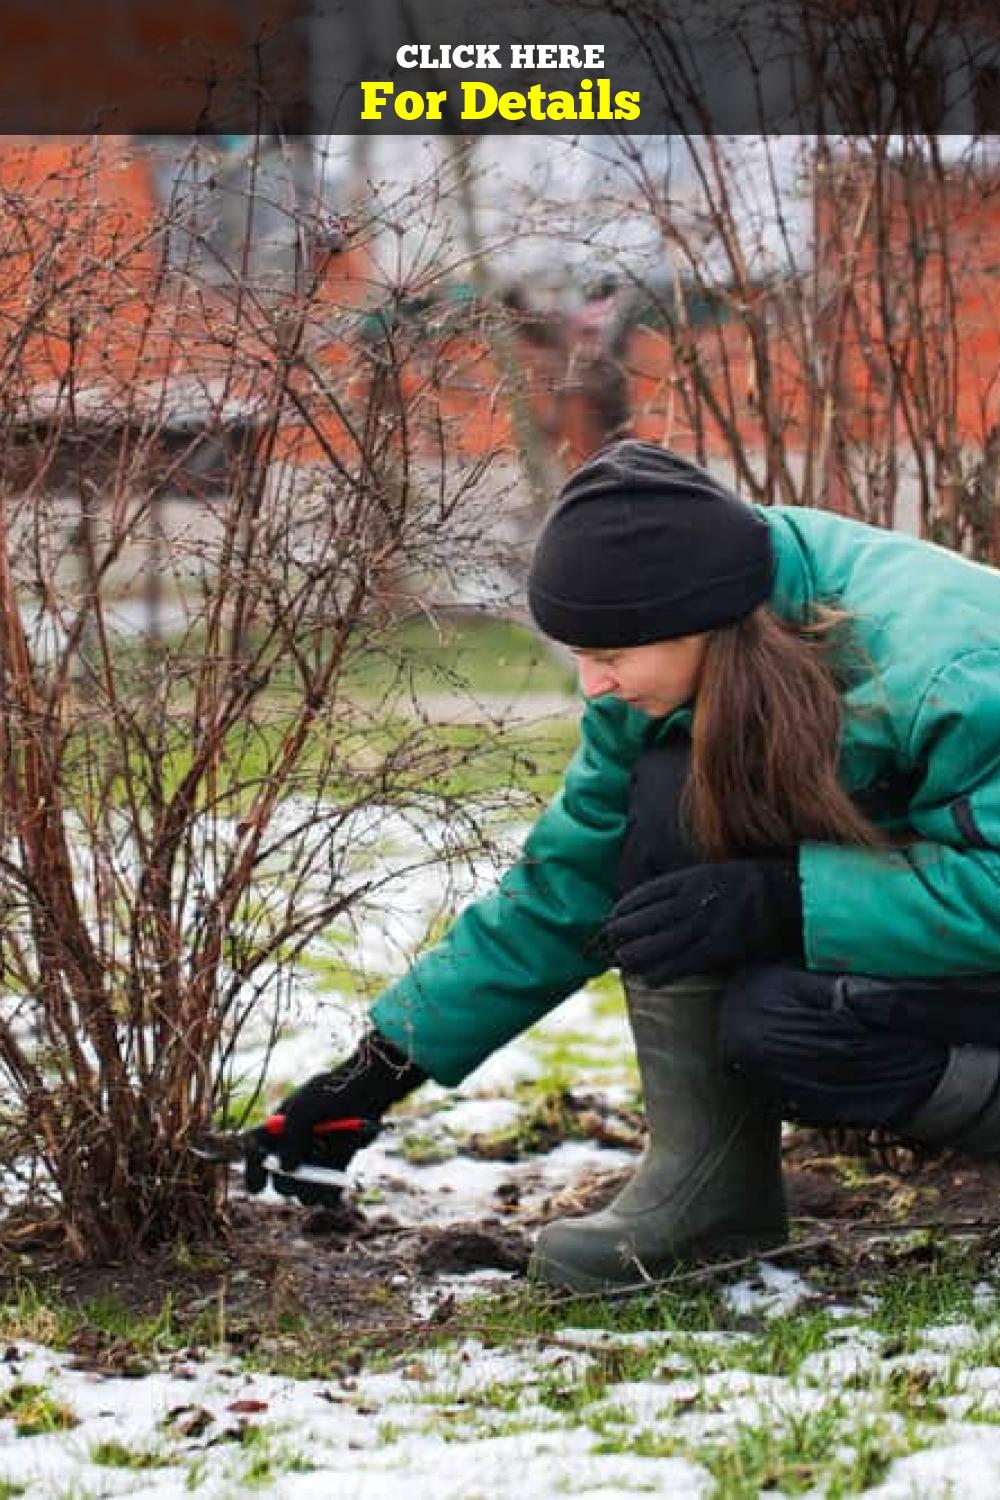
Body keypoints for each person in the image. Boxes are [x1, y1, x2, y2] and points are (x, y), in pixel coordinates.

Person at [247, 439, 1000, 1292]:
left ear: (706, 622)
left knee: (789, 1023)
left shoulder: (948, 666)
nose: (593, 684)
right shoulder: (687, 655)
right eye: (579, 653)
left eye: (609, 656)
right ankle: (711, 1201)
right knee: (675, 803)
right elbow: (572, 882)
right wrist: (376, 1072)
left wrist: (785, 898)